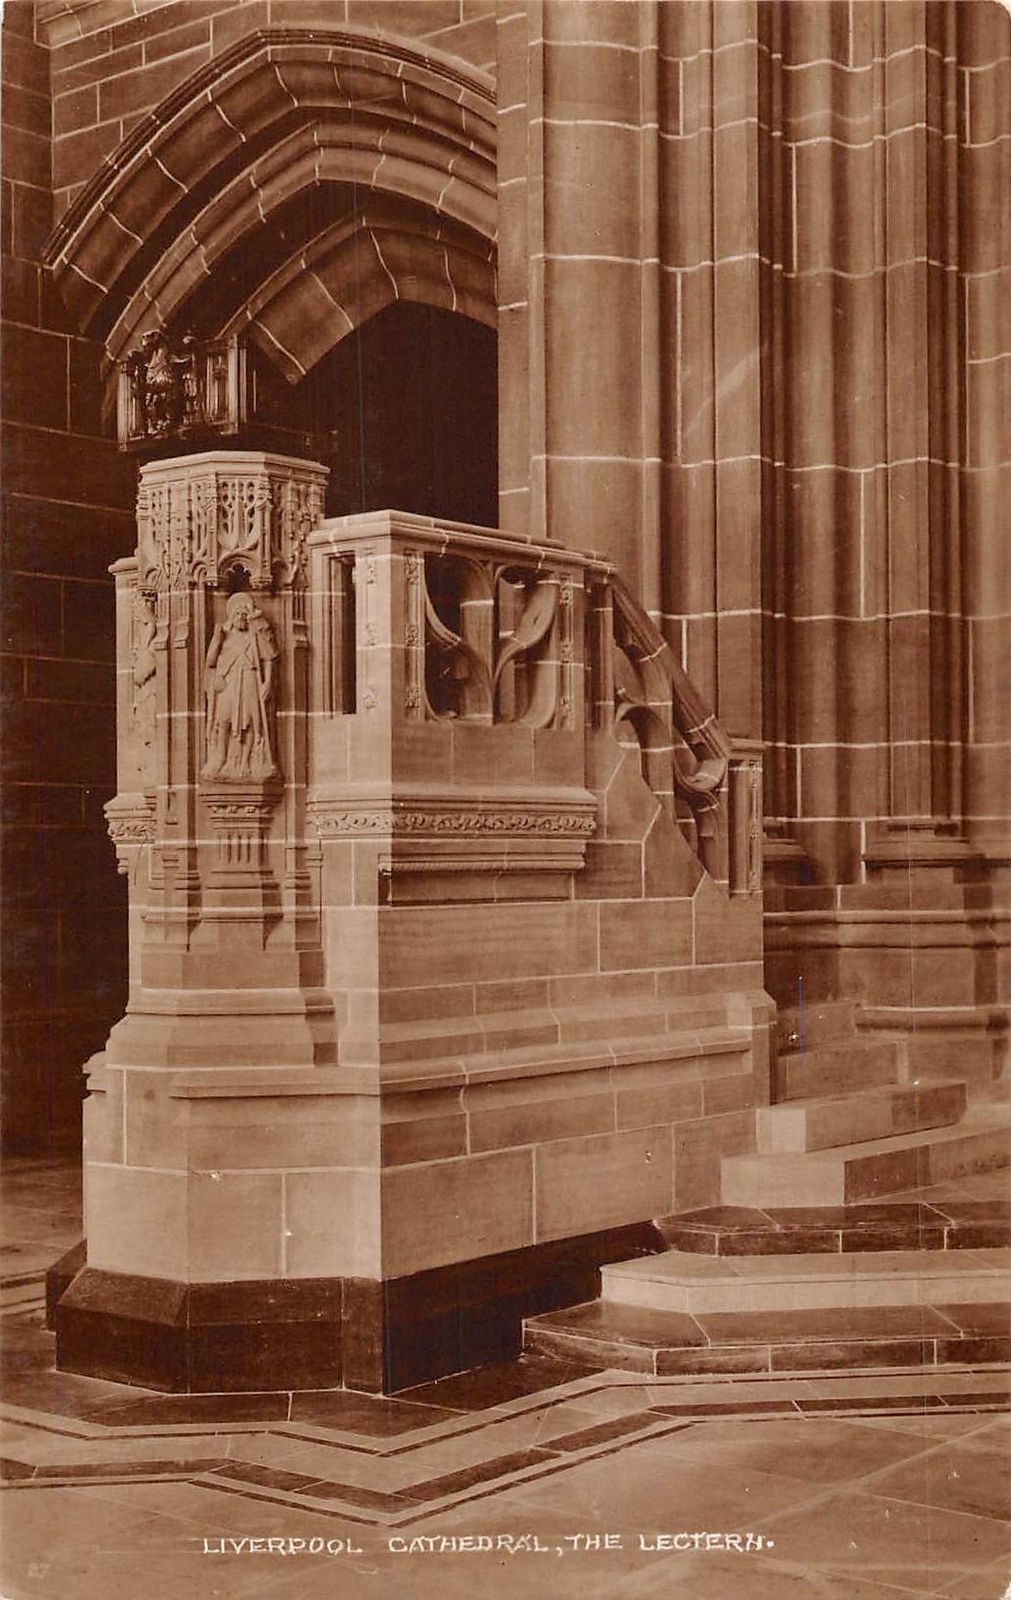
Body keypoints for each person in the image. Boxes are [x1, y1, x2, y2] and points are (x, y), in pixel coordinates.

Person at [201, 592, 279, 781]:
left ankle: (246, 762)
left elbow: (268, 657)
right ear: (231, 616)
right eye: (238, 614)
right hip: (229, 681)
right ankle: (220, 758)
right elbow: (210, 662)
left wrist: (267, 682)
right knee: (223, 719)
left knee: (251, 721)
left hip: (250, 678)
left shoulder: (254, 636)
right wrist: (216, 639)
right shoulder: (224, 637)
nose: (241, 618)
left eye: (245, 615)